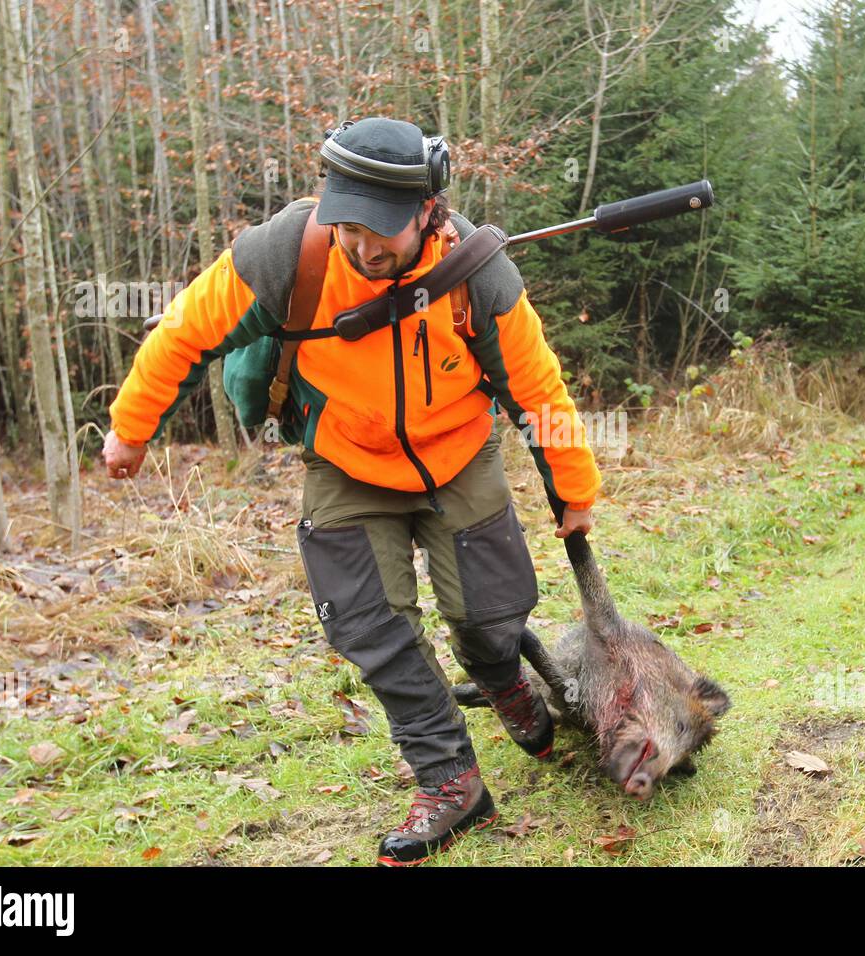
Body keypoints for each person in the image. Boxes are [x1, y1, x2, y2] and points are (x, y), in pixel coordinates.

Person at [103, 117, 602, 865]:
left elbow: (537, 391)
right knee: (371, 627)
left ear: (429, 213)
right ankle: (451, 781)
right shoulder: (286, 254)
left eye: (384, 232)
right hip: (343, 462)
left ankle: (502, 677)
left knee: (489, 614)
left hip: (460, 455)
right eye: (350, 225)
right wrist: (132, 427)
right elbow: (185, 331)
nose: (364, 247)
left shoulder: (478, 273)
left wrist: (575, 486)